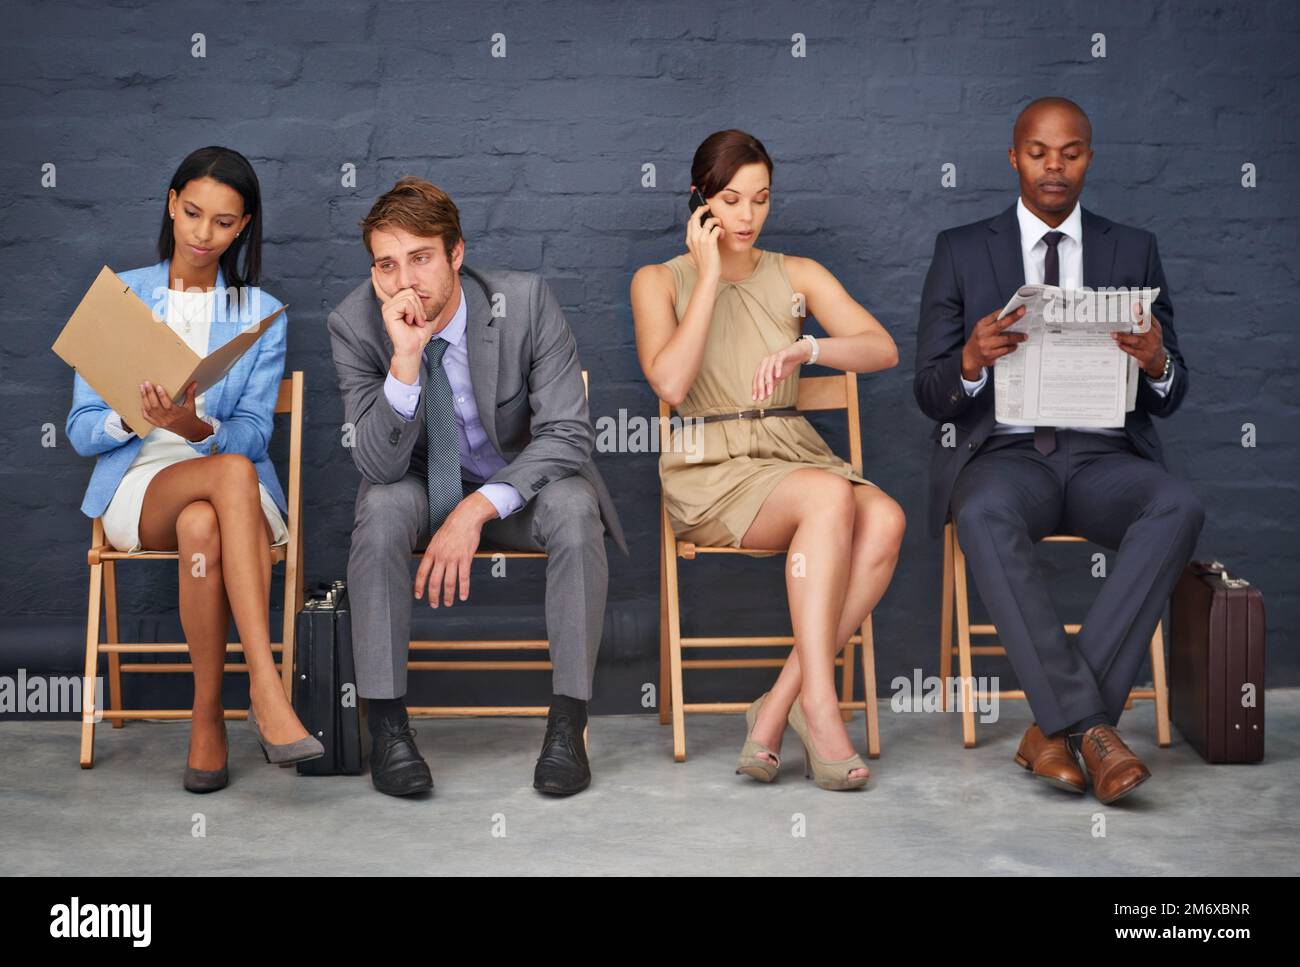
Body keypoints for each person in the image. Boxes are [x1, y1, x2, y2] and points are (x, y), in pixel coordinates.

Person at [914, 97, 1205, 804]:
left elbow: (1173, 391)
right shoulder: (961, 247)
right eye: (1039, 151)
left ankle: (1061, 728)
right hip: (1009, 460)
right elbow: (928, 390)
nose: (1054, 165)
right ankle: (1092, 727)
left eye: (1070, 152)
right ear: (1014, 156)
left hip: (1107, 457)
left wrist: (1158, 359)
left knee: (1178, 506)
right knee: (979, 510)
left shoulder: (1132, 246)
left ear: (1089, 158)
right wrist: (972, 361)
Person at [327, 176, 627, 798]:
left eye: (421, 258)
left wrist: (477, 508)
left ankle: (569, 724)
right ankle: (387, 727)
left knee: (576, 505)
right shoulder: (355, 324)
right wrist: (406, 362)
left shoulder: (523, 303)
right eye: (387, 265)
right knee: (379, 510)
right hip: (414, 484)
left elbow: (568, 433)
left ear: (456, 253)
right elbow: (378, 466)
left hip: (515, 488)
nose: (404, 281)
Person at [631, 130, 905, 791]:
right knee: (830, 497)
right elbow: (669, 383)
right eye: (730, 200)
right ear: (700, 202)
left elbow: (881, 348)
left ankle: (778, 703)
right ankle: (821, 705)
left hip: (790, 453)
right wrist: (709, 280)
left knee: (888, 518)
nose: (747, 216)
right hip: (711, 467)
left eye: (761, 199)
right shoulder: (657, 280)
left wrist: (810, 350)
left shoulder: (797, 273)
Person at [66, 146, 322, 793]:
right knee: (229, 476)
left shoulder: (259, 312)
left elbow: (258, 432)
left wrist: (195, 428)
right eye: (193, 213)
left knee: (209, 513)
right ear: (171, 204)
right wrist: (134, 418)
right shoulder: (123, 295)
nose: (204, 234)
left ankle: (207, 717)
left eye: (224, 222)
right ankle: (265, 688)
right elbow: (79, 430)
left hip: (225, 488)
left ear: (244, 228)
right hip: (142, 484)